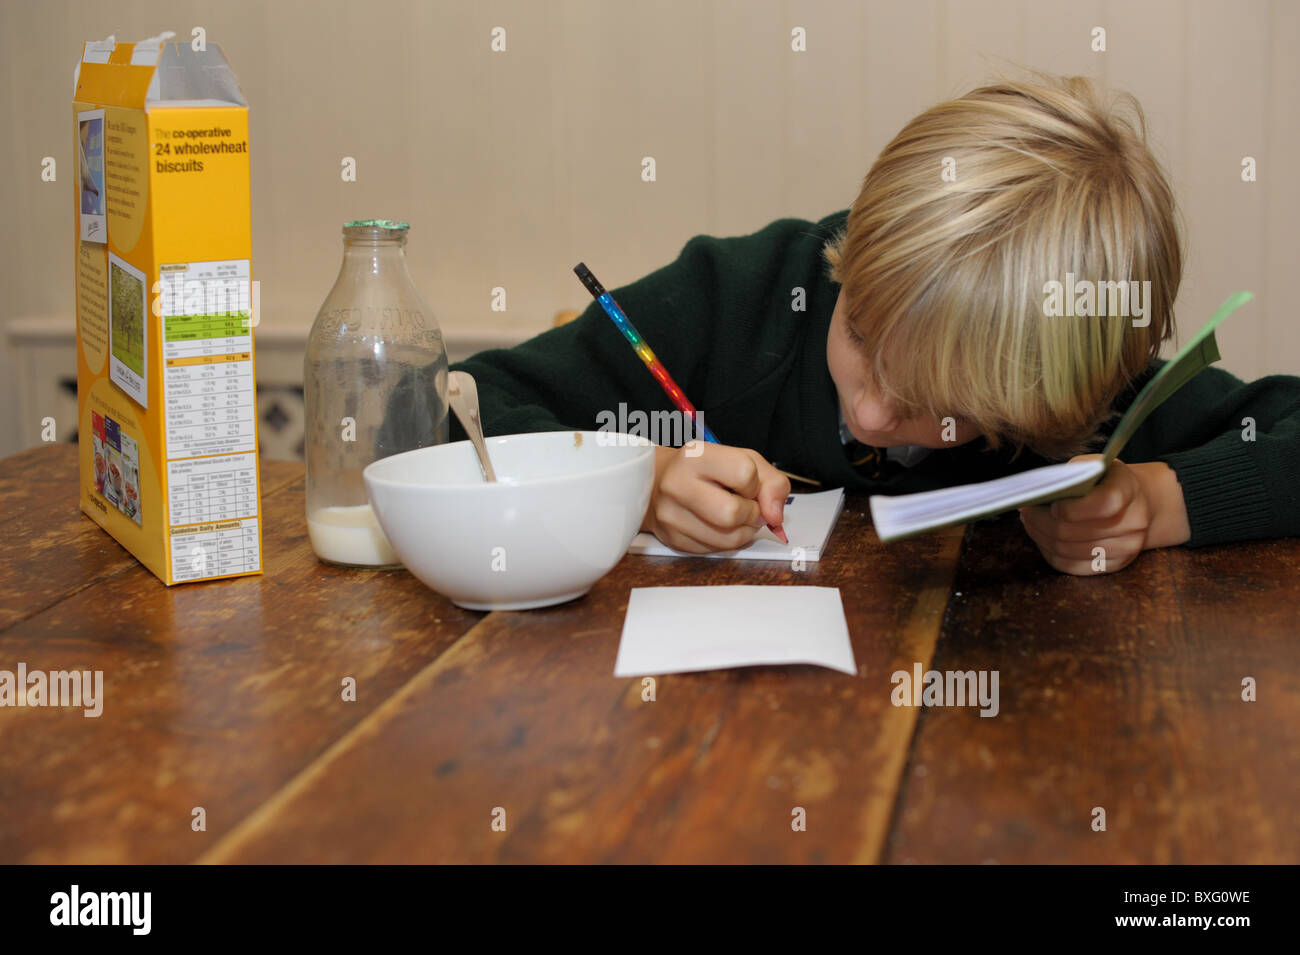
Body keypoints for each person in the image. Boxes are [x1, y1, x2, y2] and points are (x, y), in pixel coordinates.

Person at [424, 74, 1300, 574]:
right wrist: (638, 478)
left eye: (933, 405)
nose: (875, 414)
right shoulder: (745, 298)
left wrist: (1159, 501)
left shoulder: (1071, 371)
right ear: (852, 259)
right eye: (862, 340)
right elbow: (474, 401)